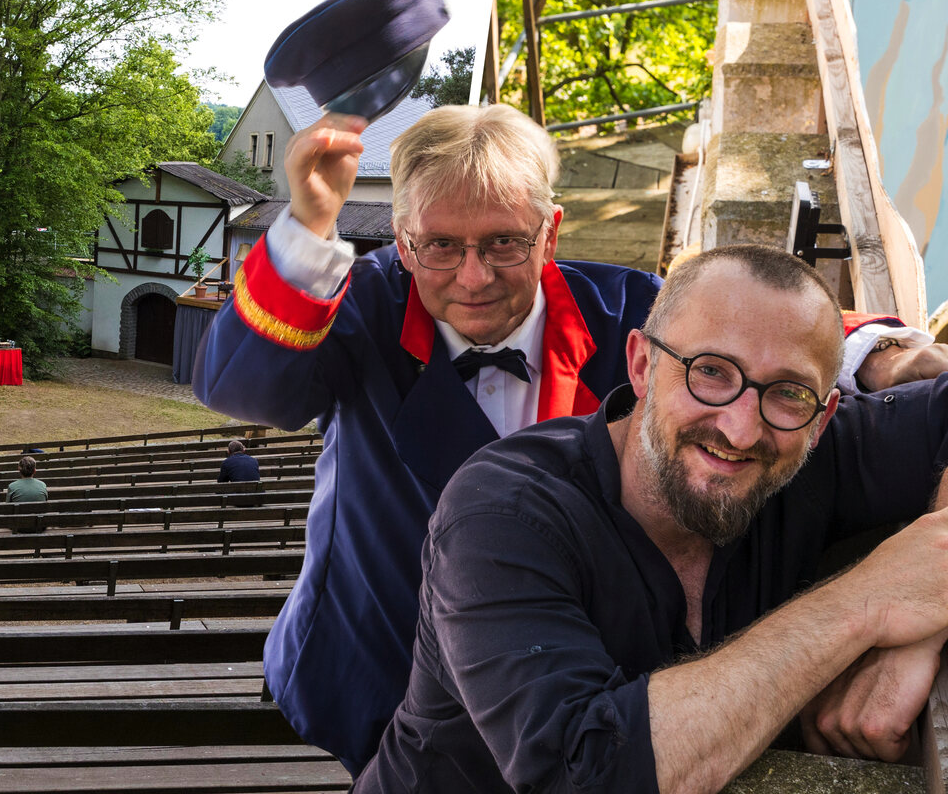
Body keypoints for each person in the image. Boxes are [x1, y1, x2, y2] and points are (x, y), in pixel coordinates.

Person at [193, 104, 945, 773]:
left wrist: (880, 353)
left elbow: (758, 335)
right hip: (378, 656)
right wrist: (309, 226)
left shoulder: (625, 305)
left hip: (561, 658)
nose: (474, 276)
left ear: (551, 230)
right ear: (401, 238)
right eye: (441, 246)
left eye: (505, 244)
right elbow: (240, 388)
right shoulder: (364, 302)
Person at [355, 244, 948, 793]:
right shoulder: (499, 515)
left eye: (789, 392)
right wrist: (866, 606)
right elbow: (588, 773)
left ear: (823, 417)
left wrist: (919, 635)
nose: (741, 429)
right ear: (641, 366)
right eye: (710, 371)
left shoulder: (811, 451)